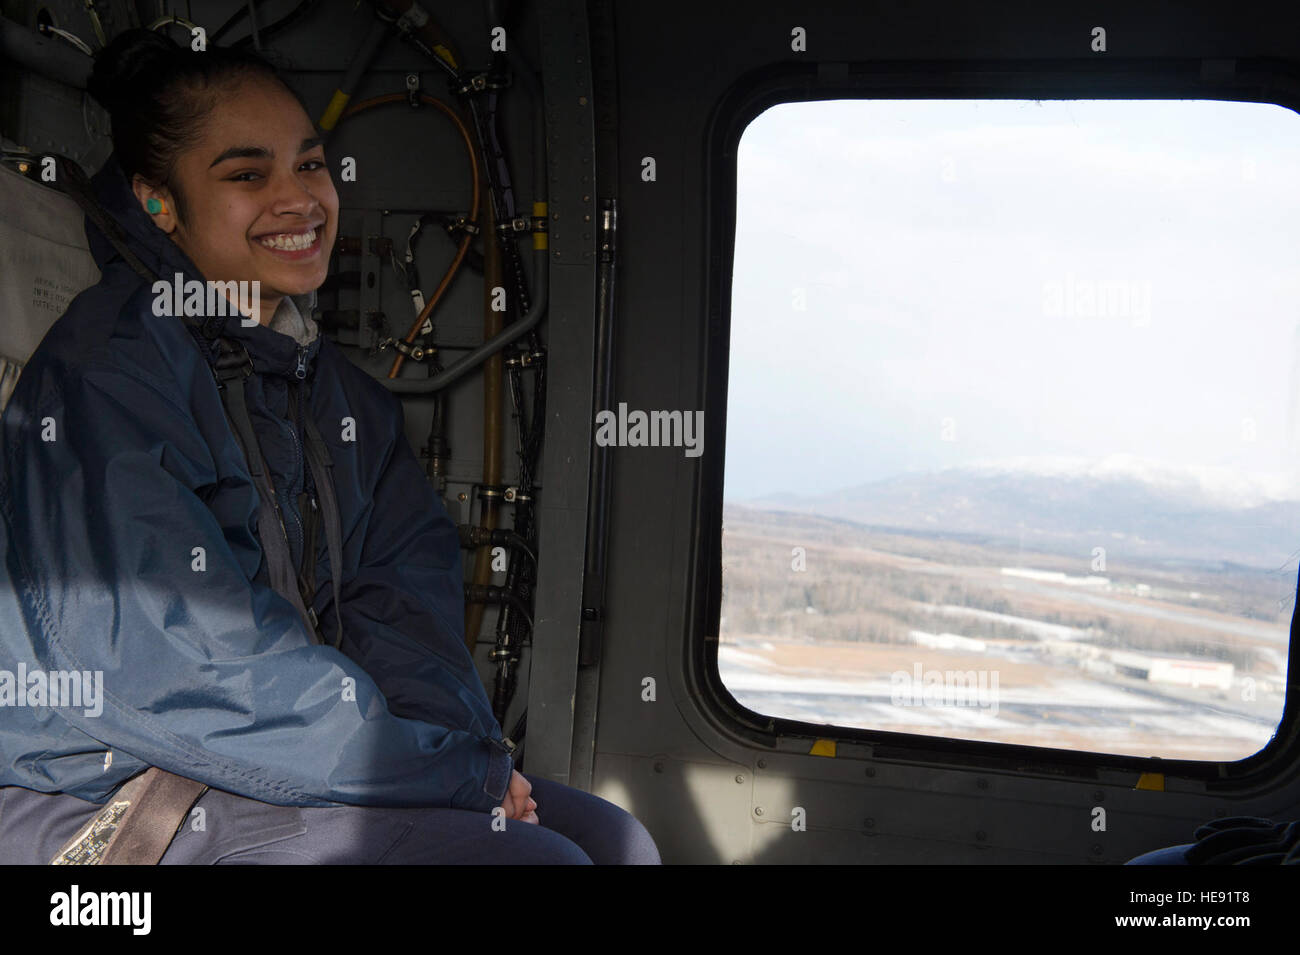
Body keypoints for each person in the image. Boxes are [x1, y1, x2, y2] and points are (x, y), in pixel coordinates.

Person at [0, 29, 659, 865]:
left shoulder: (340, 400)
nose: (298, 199)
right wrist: (446, 778)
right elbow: (176, 664)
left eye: (309, 165)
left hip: (268, 755)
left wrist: (469, 759)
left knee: (615, 840)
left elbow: (404, 615)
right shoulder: (107, 378)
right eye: (247, 175)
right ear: (158, 201)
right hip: (100, 781)